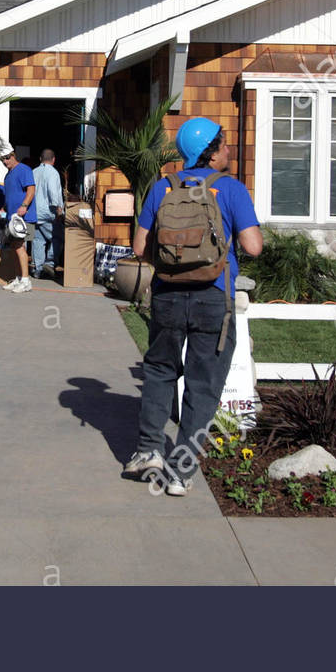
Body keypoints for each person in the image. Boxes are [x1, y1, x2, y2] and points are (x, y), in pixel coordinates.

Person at [122, 117, 264, 497]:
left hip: (168, 296)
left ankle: (148, 450)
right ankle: (180, 471)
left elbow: (140, 248)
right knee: (203, 383)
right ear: (212, 151)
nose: (229, 150)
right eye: (225, 145)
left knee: (160, 371)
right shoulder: (230, 190)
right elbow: (253, 247)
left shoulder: (162, 188)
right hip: (214, 297)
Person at [0, 147, 37, 293]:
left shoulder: (24, 169)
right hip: (12, 217)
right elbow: (10, 196)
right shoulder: (8, 176)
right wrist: (4, 209)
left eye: (7, 158)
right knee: (15, 247)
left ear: (13, 155)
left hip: (24, 216)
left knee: (20, 247)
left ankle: (26, 281)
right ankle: (19, 278)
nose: (4, 161)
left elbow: (31, 190)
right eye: (2, 159)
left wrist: (24, 206)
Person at [31, 148, 64, 279]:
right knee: (58, 237)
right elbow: (52, 191)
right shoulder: (53, 173)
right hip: (48, 212)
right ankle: (49, 263)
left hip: (34, 212)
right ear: (54, 159)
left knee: (38, 240)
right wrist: (58, 209)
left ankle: (38, 270)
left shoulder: (34, 172)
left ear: (40, 159)